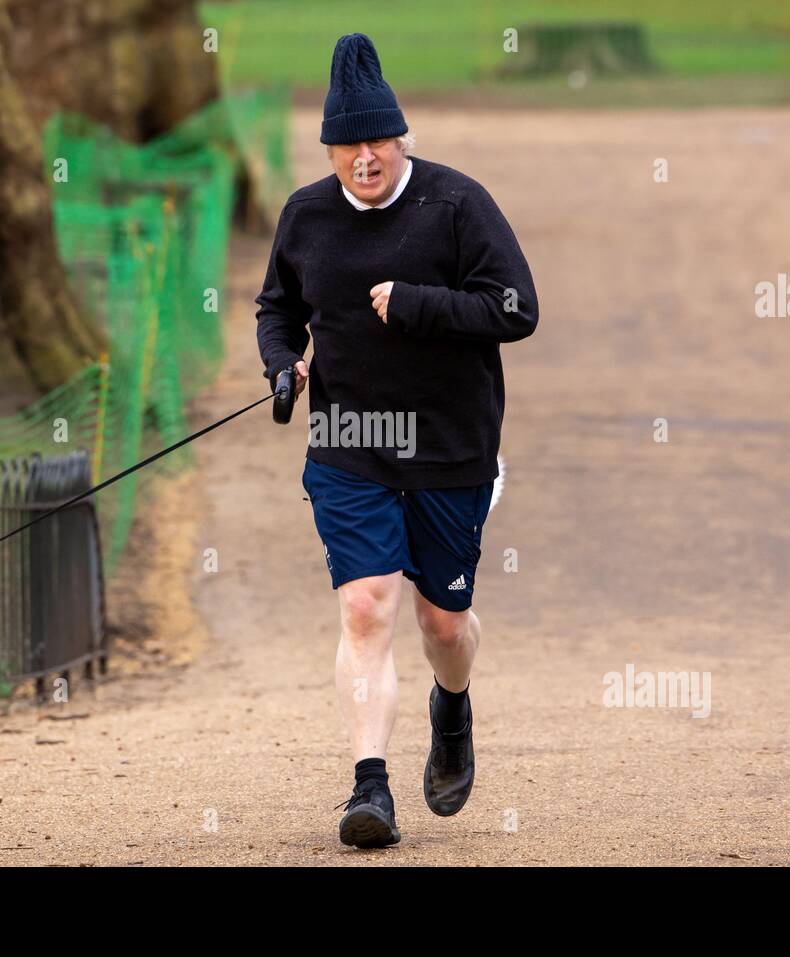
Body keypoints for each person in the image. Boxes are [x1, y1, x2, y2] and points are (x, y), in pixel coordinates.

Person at [255, 33, 538, 848]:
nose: (365, 157)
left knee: (443, 621)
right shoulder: (307, 215)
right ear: (331, 148)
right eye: (348, 143)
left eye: (378, 140)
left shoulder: (457, 205)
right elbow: (278, 309)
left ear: (402, 138)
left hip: (451, 444)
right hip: (349, 439)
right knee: (366, 603)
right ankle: (369, 786)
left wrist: (418, 304)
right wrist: (283, 366)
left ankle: (451, 706)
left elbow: (517, 308)